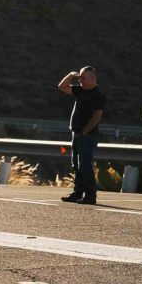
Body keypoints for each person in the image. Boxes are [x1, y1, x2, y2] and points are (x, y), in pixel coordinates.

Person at [57, 66, 106, 204]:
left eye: (83, 77)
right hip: (76, 133)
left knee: (85, 165)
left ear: (92, 79)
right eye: (80, 77)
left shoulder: (98, 95)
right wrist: (70, 75)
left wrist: (85, 131)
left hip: (88, 136)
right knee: (76, 165)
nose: (80, 80)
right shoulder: (80, 90)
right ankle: (77, 193)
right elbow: (62, 87)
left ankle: (90, 196)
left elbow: (96, 117)